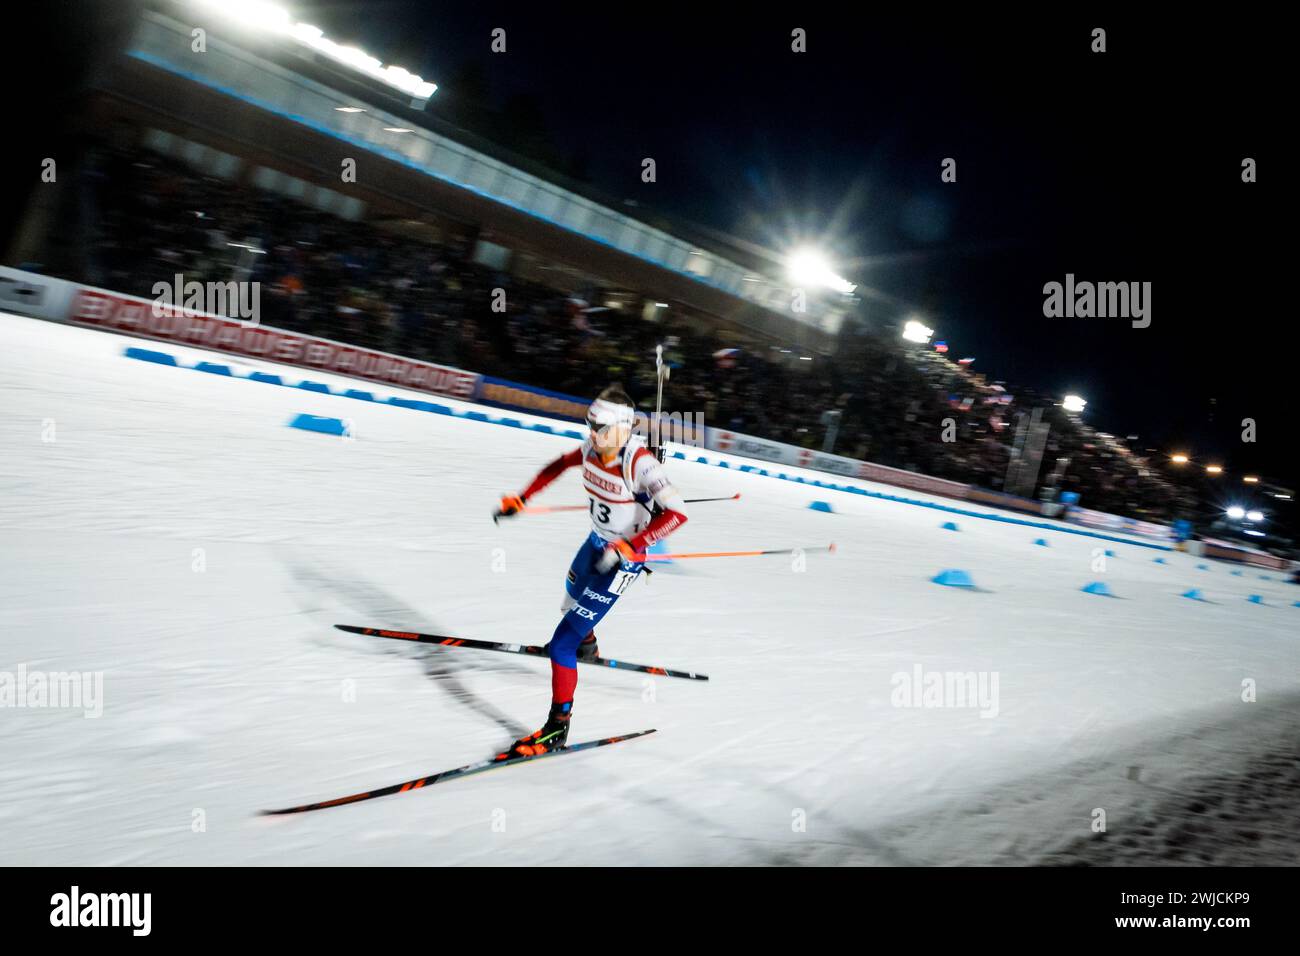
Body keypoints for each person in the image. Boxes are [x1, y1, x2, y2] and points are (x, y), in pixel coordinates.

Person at [494, 386, 688, 756]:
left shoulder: (640, 463)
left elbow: (678, 512)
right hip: (596, 543)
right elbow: (558, 465)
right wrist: (522, 498)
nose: (592, 434)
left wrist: (633, 545)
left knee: (561, 644)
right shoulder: (591, 448)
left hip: (624, 560)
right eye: (589, 424)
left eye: (600, 427)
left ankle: (556, 728)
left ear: (623, 429)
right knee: (569, 599)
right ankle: (588, 643)